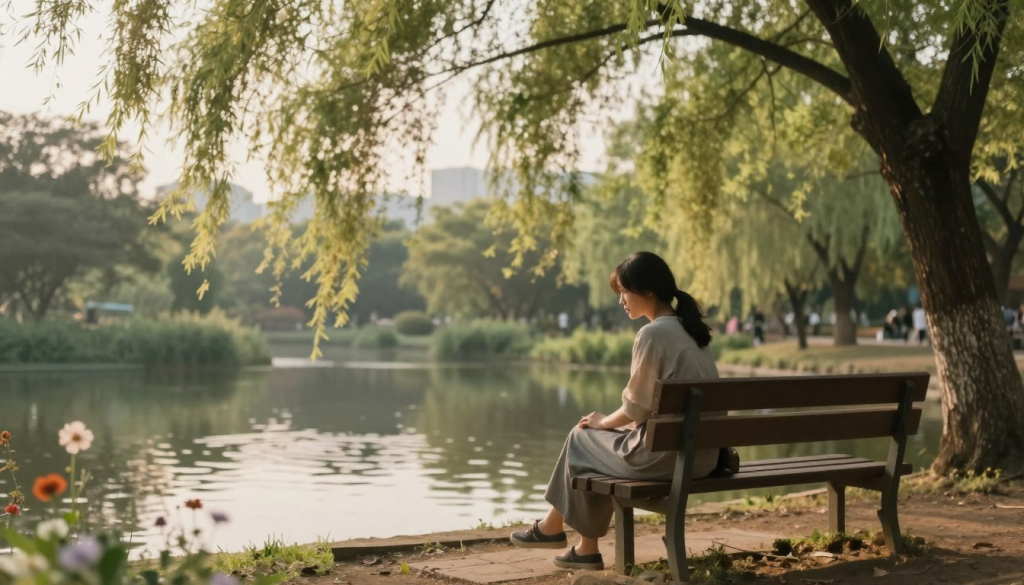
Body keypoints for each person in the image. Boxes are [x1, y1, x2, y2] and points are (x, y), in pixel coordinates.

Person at [509, 251, 720, 570]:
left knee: (582, 437)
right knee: (592, 447)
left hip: (666, 458)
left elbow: (636, 407)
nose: (621, 300)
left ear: (648, 291)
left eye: (624, 291)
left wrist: (602, 421)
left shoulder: (653, 333)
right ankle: (578, 545)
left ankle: (562, 534)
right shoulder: (691, 330)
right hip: (702, 456)